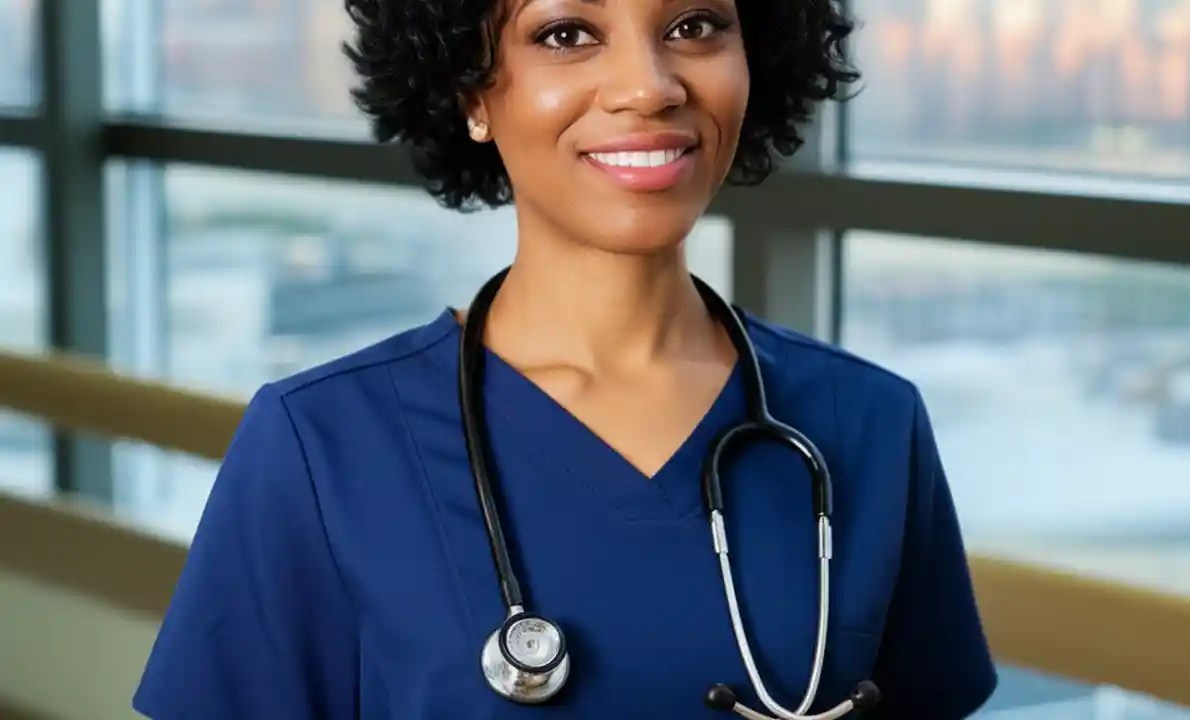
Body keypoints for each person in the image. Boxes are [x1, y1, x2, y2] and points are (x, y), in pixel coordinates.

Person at [133, 0, 998, 717]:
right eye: (566, 34)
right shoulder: (321, 448)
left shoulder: (870, 425)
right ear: (471, 89)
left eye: (694, 26)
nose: (647, 87)